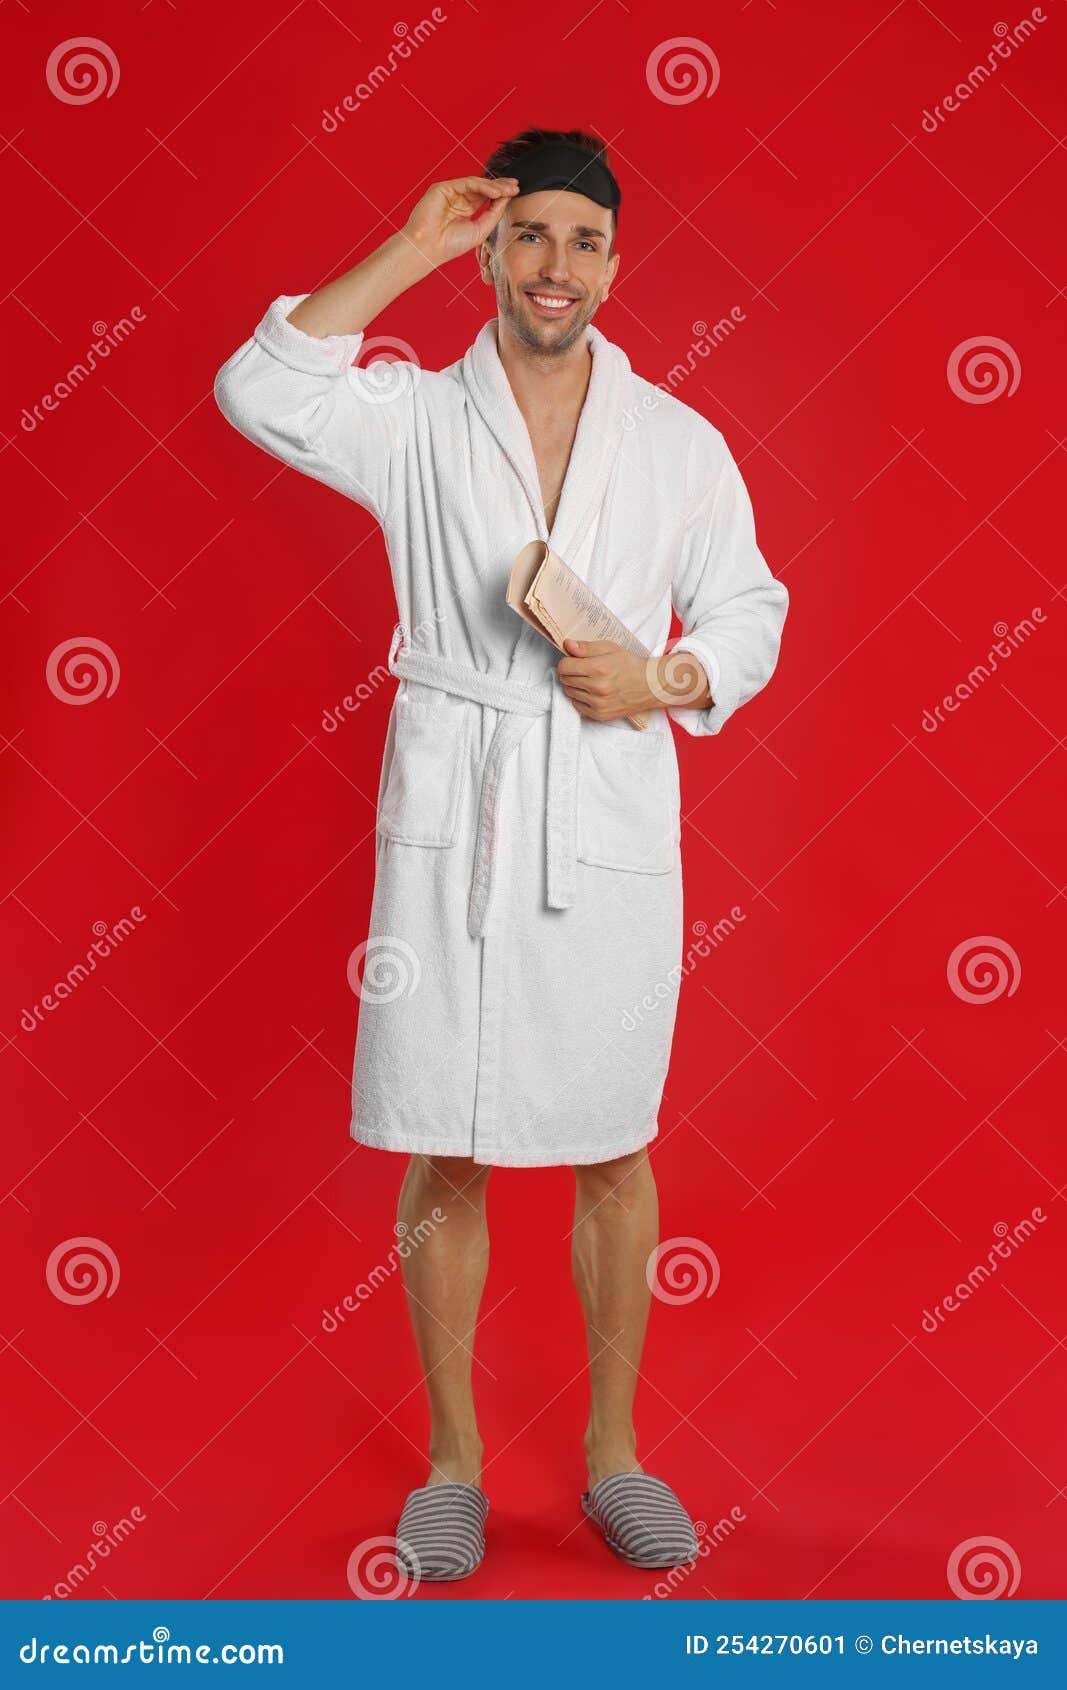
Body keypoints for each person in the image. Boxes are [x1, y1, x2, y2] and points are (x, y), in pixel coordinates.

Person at [214, 127, 789, 1582]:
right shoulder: (411, 416)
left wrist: (660, 682)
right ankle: (455, 1460)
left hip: (598, 809)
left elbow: (750, 609)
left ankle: (614, 1452)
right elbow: (257, 386)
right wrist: (404, 243)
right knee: (449, 1143)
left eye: (583, 240)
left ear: (617, 260)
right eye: (526, 235)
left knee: (614, 1141)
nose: (555, 266)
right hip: (456, 805)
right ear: (487, 248)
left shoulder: (678, 442)